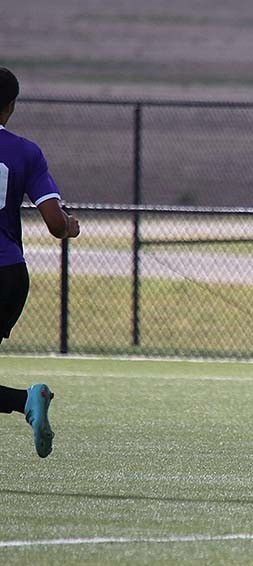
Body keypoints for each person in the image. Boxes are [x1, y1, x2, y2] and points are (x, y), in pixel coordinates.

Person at [0, 67, 81, 458]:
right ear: (10, 107)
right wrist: (71, 226)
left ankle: (26, 400)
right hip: (9, 276)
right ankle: (27, 400)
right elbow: (54, 223)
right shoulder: (25, 152)